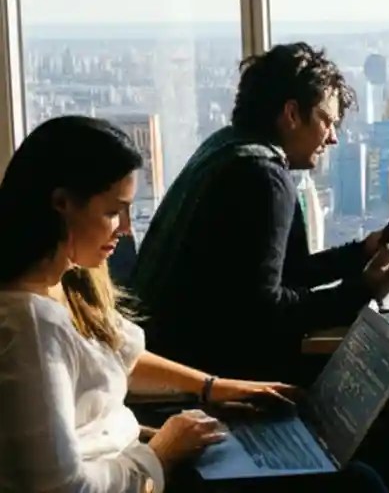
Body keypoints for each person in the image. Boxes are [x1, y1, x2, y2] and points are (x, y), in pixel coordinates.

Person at [0, 116, 321, 491]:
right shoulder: (29, 328)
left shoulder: (70, 279)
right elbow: (62, 488)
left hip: (138, 456)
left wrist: (214, 387)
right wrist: (163, 453)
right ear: (62, 204)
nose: (124, 228)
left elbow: (119, 353)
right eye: (111, 212)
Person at [129, 43, 389, 385]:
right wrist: (367, 287)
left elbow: (277, 275)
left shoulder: (224, 149)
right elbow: (268, 314)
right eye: (327, 121)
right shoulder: (263, 176)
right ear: (292, 115)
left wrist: (362, 252)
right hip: (213, 380)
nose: (333, 138)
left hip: (172, 360)